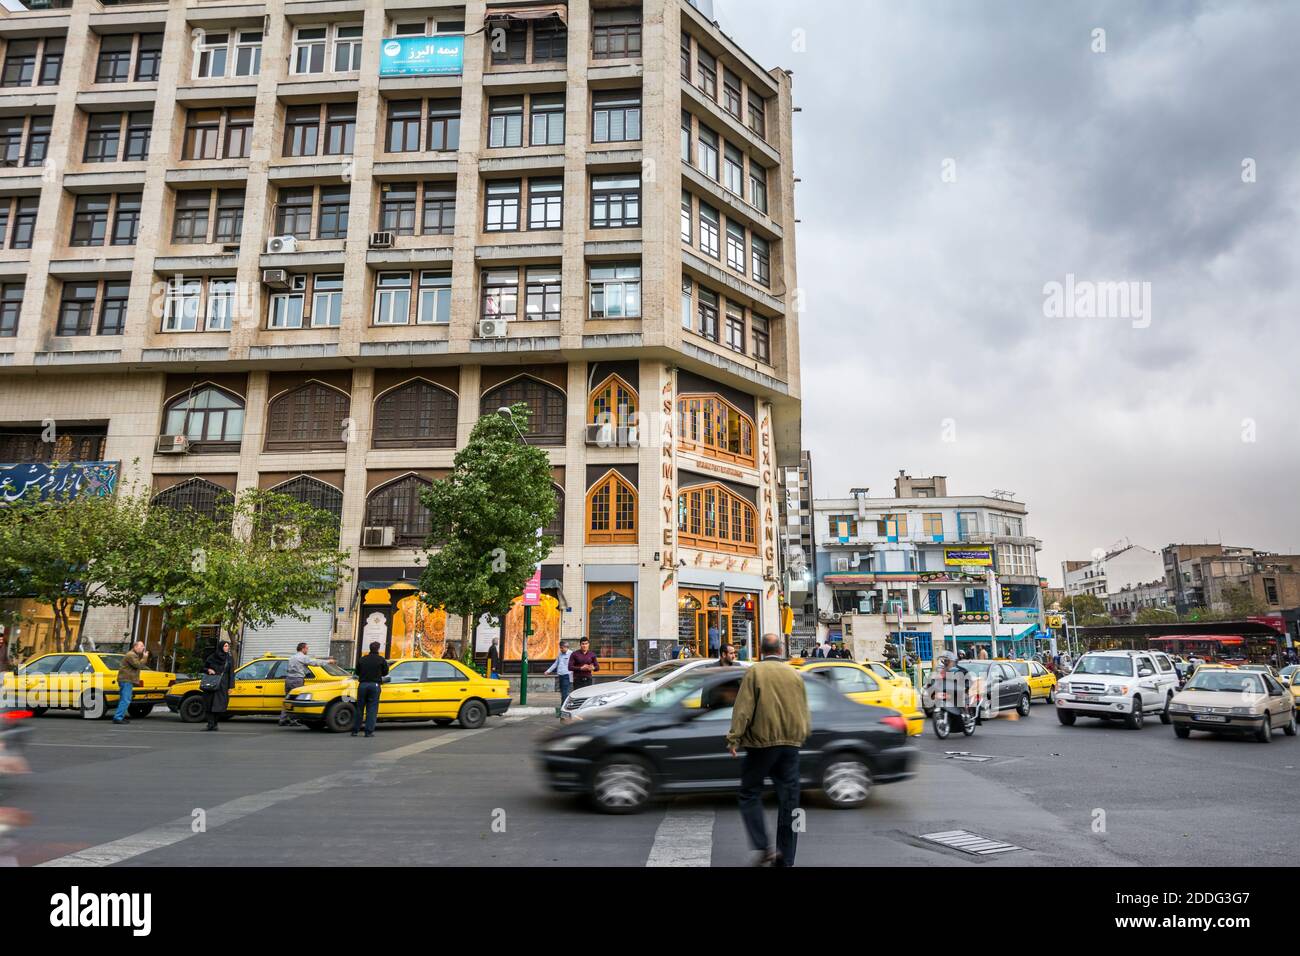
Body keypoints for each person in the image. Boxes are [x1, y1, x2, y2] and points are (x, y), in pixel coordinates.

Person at [726, 633, 810, 867]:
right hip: (790, 745)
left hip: (762, 745)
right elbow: (803, 708)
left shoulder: (755, 672)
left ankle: (763, 846)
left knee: (749, 793)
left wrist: (734, 739)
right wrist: (801, 735)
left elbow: (743, 709)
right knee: (790, 803)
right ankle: (787, 859)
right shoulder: (794, 674)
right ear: (780, 650)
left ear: (761, 651)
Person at [280, 642, 335, 727]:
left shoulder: (292, 657)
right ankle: (294, 720)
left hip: (288, 680)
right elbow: (314, 662)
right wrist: (328, 661)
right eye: (307, 648)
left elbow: (302, 667)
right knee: (297, 700)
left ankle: (283, 719)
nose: (307, 650)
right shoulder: (302, 657)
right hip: (297, 680)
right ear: (303, 649)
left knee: (288, 700)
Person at [351, 642, 388, 737]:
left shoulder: (362, 659)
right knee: (372, 709)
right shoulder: (381, 660)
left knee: (359, 708)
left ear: (370, 648)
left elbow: (357, 672)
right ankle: (368, 731)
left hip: (362, 685)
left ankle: (355, 730)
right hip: (374, 685)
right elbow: (385, 672)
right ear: (378, 649)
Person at [202, 640, 234, 731]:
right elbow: (203, 667)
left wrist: (231, 686)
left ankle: (215, 723)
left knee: (220, 705)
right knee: (209, 704)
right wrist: (208, 670)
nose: (227, 648)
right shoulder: (212, 657)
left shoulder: (229, 659)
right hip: (211, 684)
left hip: (223, 685)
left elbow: (231, 673)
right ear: (220, 647)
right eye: (225, 646)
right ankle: (210, 724)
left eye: (227, 646)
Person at [113, 641, 148, 724]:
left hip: (126, 680)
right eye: (141, 646)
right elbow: (138, 665)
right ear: (135, 646)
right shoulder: (131, 655)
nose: (143, 648)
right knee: (126, 700)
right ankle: (118, 717)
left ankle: (119, 716)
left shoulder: (133, 655)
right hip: (126, 680)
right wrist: (145, 657)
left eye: (143, 646)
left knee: (124, 699)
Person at [544, 640, 573, 709]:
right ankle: (564, 706)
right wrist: (548, 671)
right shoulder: (560, 654)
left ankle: (563, 707)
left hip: (567, 676)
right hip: (560, 676)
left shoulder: (571, 654)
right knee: (562, 692)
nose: (561, 649)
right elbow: (556, 663)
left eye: (562, 648)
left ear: (566, 647)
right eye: (560, 648)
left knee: (565, 693)